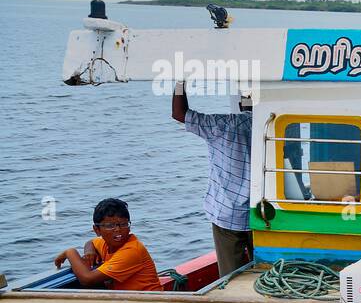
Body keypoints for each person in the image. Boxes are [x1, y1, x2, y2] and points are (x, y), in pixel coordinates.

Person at [172, 81, 253, 275]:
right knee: (265, 270)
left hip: (226, 213)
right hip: (263, 213)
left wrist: (179, 82)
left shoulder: (222, 124)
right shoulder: (273, 124)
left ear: (241, 103)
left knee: (230, 275)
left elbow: (179, 114)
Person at [53, 198, 162, 291]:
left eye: (123, 224)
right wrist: (89, 251)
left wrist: (70, 252)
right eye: (110, 226)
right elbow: (91, 242)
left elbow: (87, 279)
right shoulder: (107, 244)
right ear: (97, 230)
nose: (118, 230)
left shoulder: (132, 250)